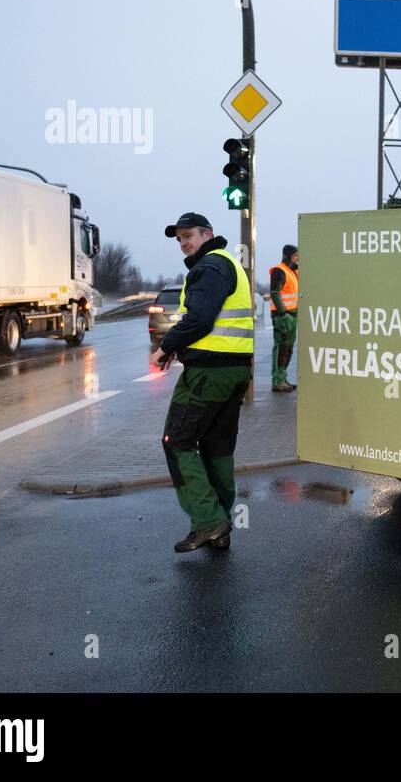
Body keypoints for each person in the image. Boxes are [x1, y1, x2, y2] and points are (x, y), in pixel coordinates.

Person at [150, 212, 254, 554]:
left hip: (208, 374)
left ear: (206, 233)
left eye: (188, 236)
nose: (183, 243)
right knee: (217, 447)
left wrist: (166, 346)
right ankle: (220, 526)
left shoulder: (208, 267)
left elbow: (200, 319)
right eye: (179, 239)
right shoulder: (226, 263)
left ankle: (208, 521)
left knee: (177, 442)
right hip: (234, 371)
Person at [268, 244, 299, 393]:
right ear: (288, 256)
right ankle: (277, 380)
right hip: (282, 316)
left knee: (289, 347)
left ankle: (283, 377)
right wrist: (282, 313)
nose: (298, 259)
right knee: (281, 346)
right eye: (295, 256)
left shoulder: (292, 272)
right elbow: (275, 292)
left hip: (292, 315)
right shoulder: (279, 271)